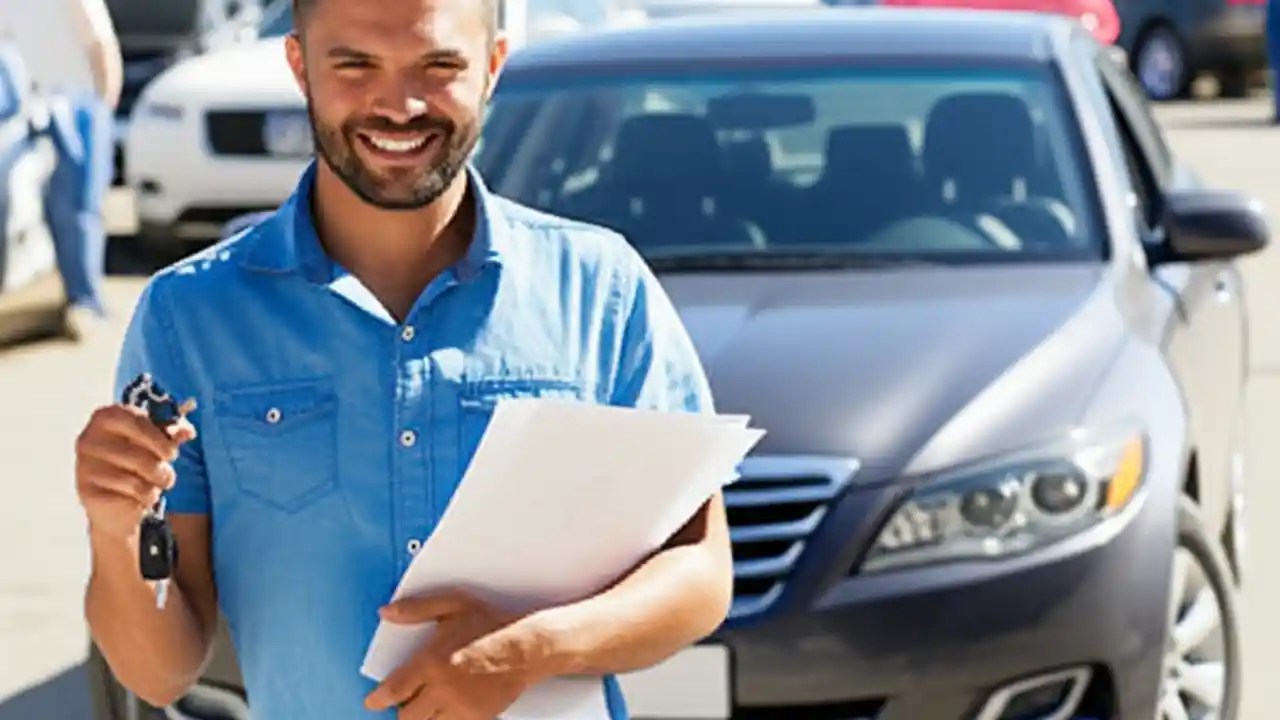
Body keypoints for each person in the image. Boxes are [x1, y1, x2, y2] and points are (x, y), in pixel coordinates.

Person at [75, 0, 734, 717]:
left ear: (492, 66)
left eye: (439, 65)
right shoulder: (189, 317)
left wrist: (534, 648)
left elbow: (700, 573)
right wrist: (114, 533)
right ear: (300, 67)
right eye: (355, 65)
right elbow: (159, 674)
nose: (399, 105)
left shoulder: (601, 289)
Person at [0, 0, 120, 334]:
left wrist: (102, 108)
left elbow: (101, 45)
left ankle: (86, 300)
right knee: (52, 203)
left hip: (81, 101)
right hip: (33, 101)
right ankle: (71, 292)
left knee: (80, 205)